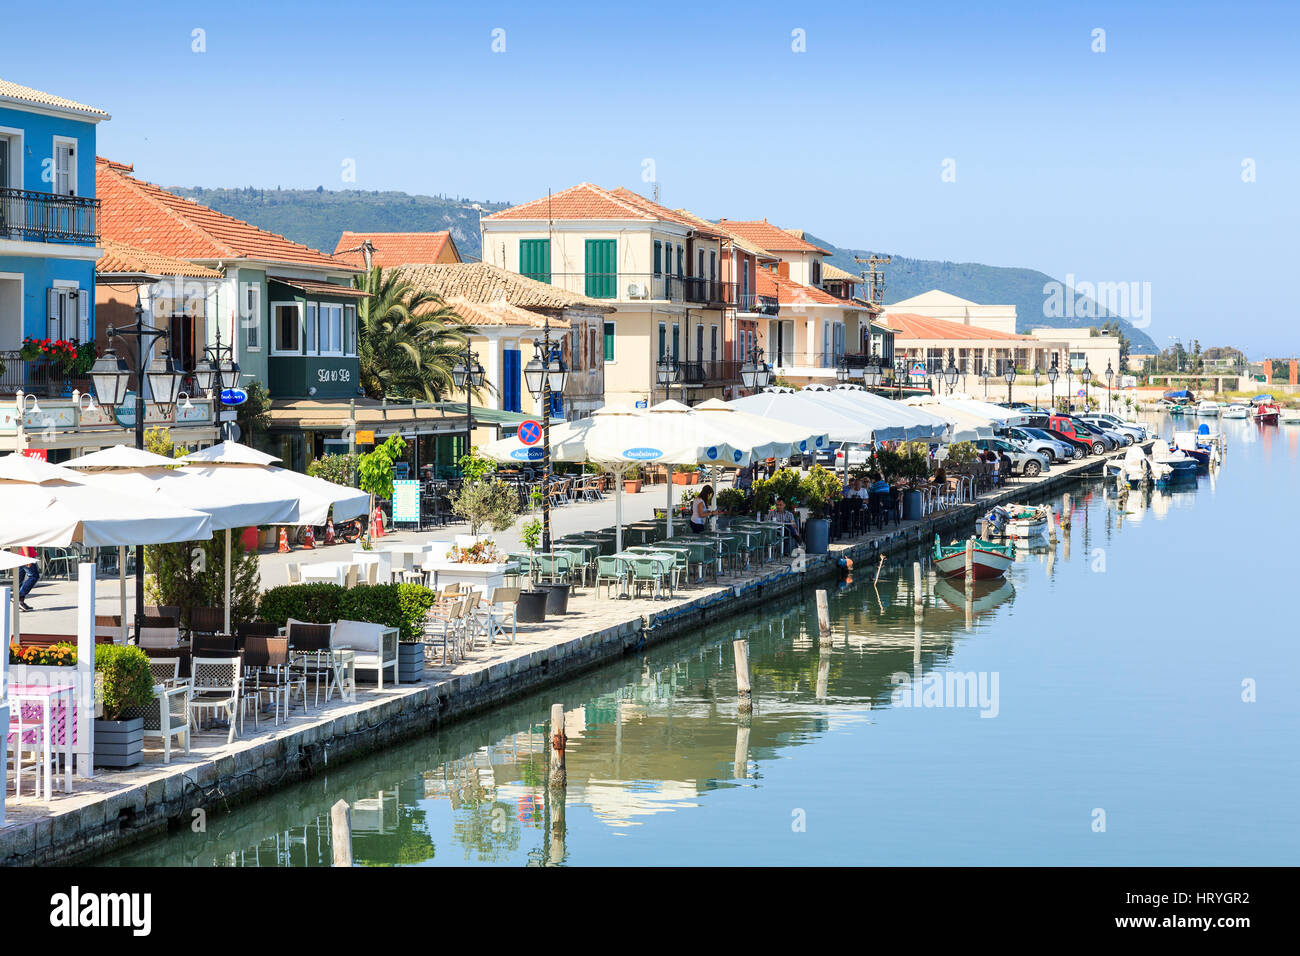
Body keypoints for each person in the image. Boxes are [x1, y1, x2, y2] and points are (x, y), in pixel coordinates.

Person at [15, 544, 38, 612]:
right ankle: (19, 597)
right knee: (34, 576)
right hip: (27, 555)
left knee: (19, 580)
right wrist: (27, 557)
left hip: (20, 555)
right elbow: (24, 543)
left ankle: (20, 602)